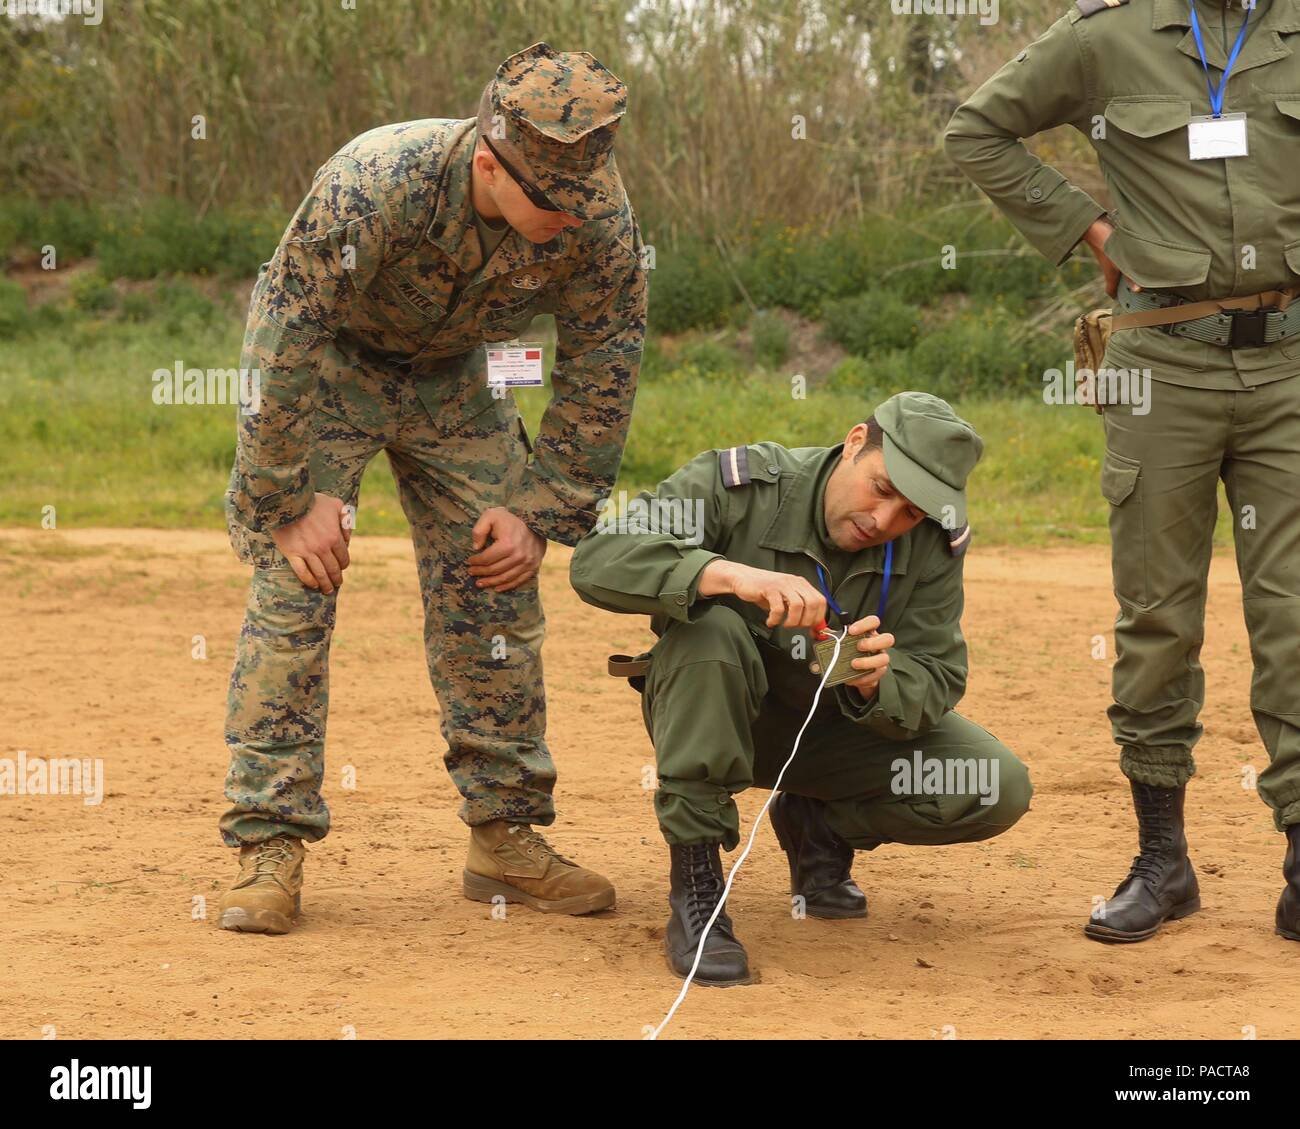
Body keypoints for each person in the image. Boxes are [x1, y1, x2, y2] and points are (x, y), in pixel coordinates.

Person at [216, 43, 648, 934]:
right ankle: (271, 843)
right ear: (491, 164)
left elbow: (607, 356)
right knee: (296, 590)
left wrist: (543, 507)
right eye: (553, 205)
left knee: (495, 586)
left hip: (461, 377)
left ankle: (504, 836)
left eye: (584, 202)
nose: (575, 220)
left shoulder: (594, 208)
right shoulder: (375, 182)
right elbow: (282, 338)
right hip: (332, 370)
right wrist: (284, 500)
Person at [945, 0, 1300, 943]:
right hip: (1162, 362)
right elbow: (976, 128)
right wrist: (1088, 229)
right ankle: (1163, 859)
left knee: (1296, 612)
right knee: (1155, 615)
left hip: (1291, 365)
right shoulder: (1109, 36)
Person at [569, 392, 1032, 985]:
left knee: (994, 783)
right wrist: (727, 575)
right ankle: (697, 885)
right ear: (856, 441)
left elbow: (938, 671)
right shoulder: (739, 484)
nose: (884, 522)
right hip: (715, 709)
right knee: (709, 632)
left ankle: (821, 825)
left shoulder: (933, 544)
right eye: (882, 490)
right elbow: (598, 558)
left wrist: (876, 681)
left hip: (834, 727)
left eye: (912, 512)